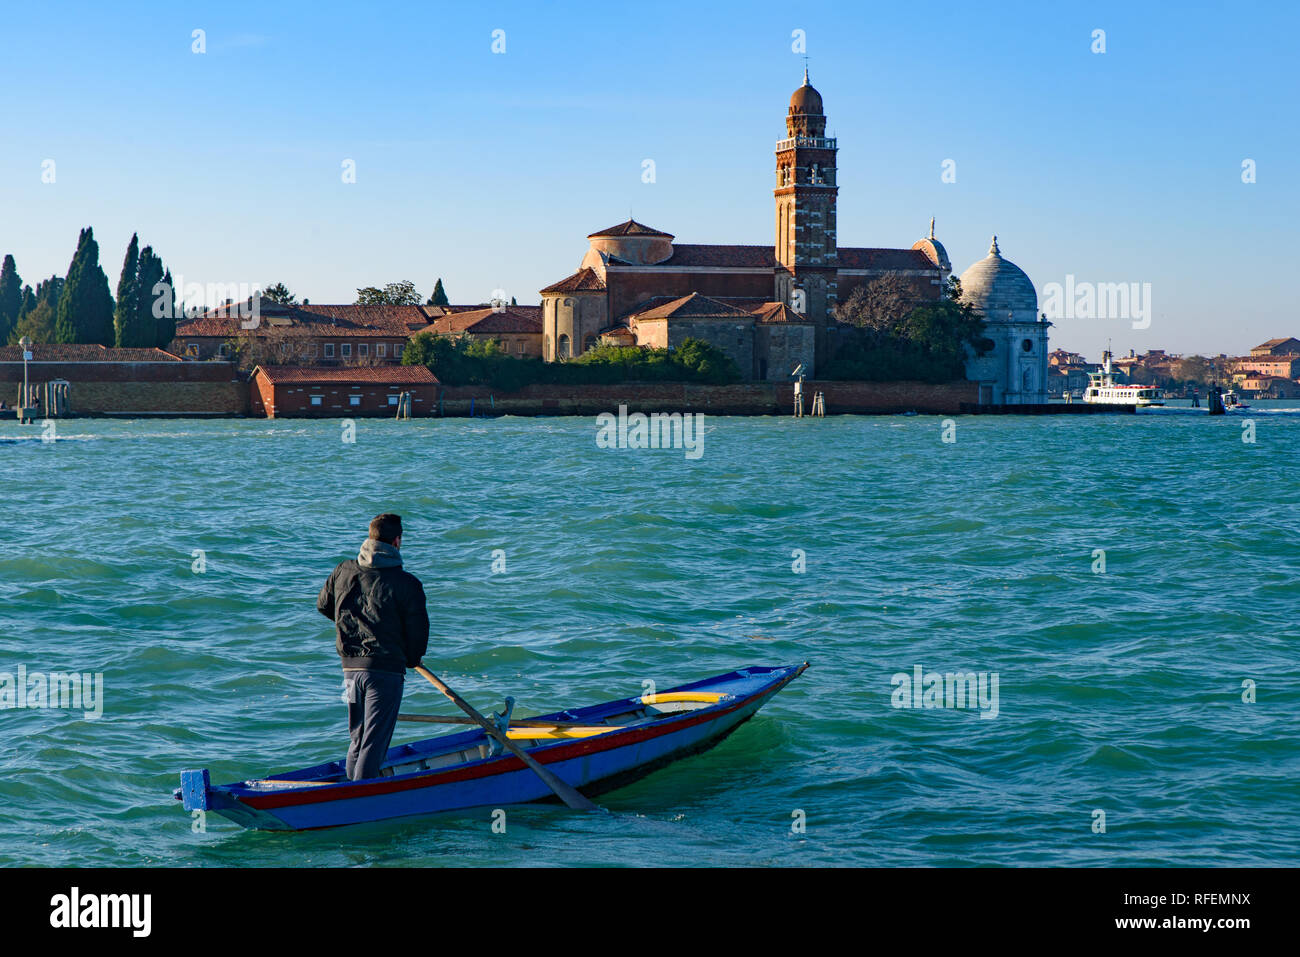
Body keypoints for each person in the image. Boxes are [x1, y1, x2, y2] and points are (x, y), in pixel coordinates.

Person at [317, 513, 429, 780]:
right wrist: (411, 659)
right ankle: (360, 797)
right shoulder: (407, 584)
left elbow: (324, 605)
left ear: (369, 538)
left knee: (358, 736)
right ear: (397, 542)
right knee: (373, 742)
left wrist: (354, 625)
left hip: (350, 670)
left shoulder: (343, 570)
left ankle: (349, 791)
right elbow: (418, 632)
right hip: (385, 672)